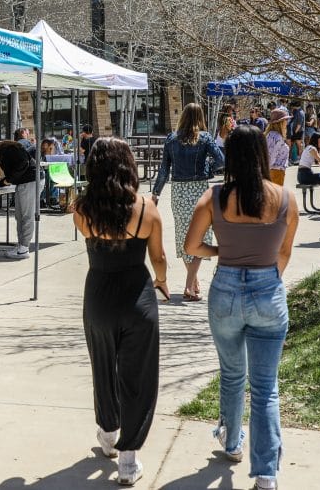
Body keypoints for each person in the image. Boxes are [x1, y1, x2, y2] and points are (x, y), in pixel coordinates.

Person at [183, 124, 299, 490]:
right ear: (263, 154)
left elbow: (192, 246)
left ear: (230, 157)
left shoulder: (214, 197)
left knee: (232, 374)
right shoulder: (285, 198)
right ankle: (266, 474)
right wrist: (264, 278)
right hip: (268, 290)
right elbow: (284, 253)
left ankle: (232, 442)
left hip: (226, 290)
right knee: (265, 388)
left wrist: (224, 251)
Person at [74, 137, 168, 487]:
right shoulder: (146, 208)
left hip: (99, 294)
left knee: (103, 367)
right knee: (138, 377)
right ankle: (128, 460)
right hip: (137, 295)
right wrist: (161, 281)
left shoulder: (82, 209)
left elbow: (94, 238)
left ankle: (108, 432)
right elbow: (158, 257)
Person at [151, 102, 223, 302]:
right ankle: (189, 286)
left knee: (184, 238)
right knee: (201, 238)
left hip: (179, 191)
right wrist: (207, 169)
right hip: (199, 190)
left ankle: (192, 283)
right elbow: (221, 161)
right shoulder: (205, 138)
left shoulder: (171, 139)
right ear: (200, 117)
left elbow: (164, 170)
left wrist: (156, 193)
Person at [0, 137, 37, 260]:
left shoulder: (8, 150)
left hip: (30, 181)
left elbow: (23, 163)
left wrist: (8, 180)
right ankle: (22, 246)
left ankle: (24, 248)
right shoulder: (6, 150)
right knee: (20, 216)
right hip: (26, 182)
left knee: (26, 216)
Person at [264, 108, 290, 186]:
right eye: (285, 120)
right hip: (276, 172)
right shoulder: (277, 137)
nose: (287, 122)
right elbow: (271, 157)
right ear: (280, 122)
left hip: (274, 172)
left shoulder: (270, 134)